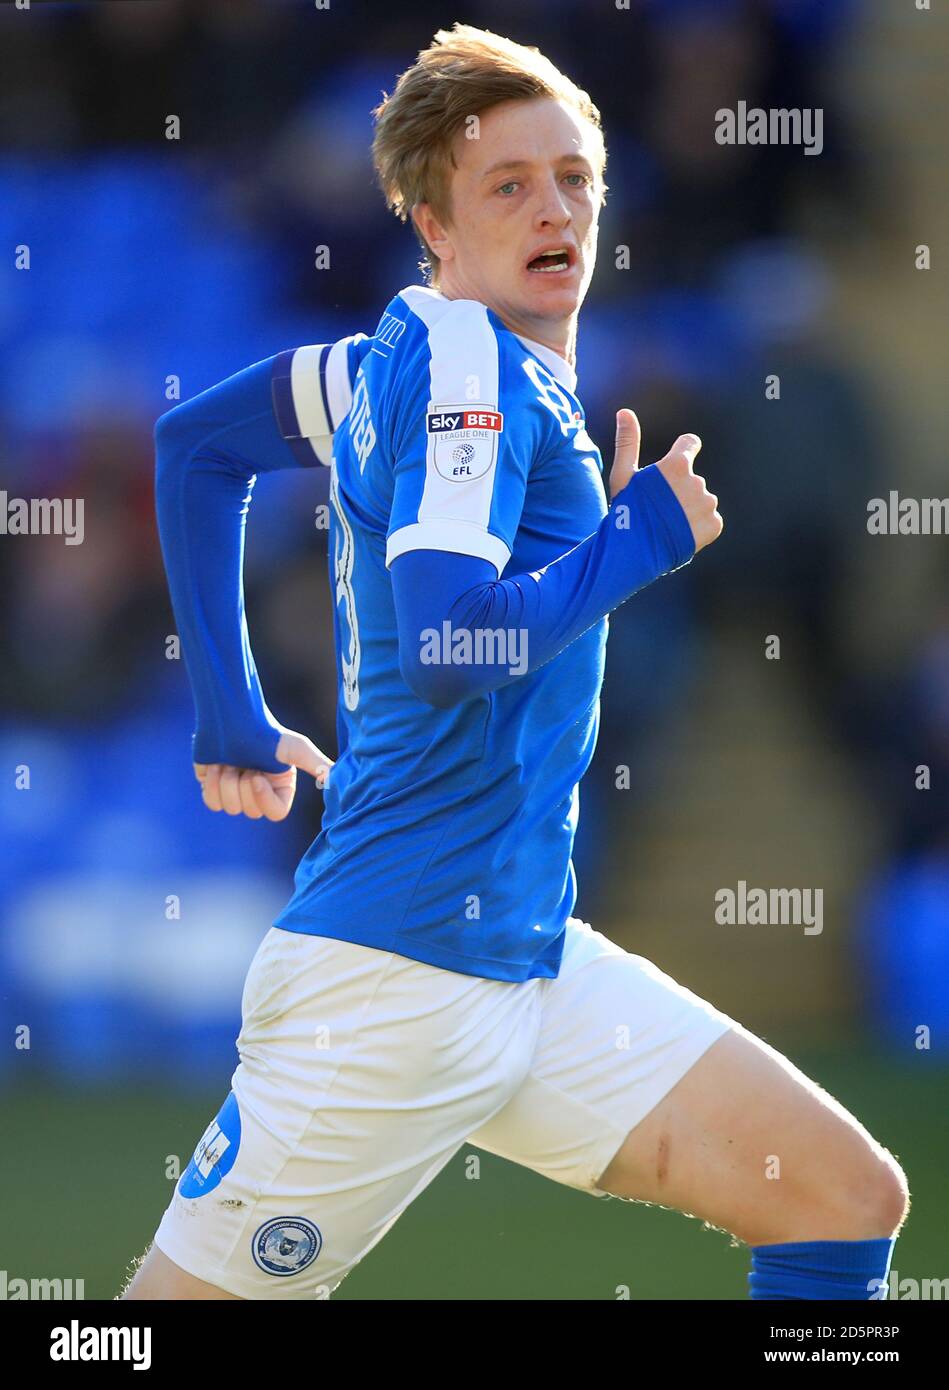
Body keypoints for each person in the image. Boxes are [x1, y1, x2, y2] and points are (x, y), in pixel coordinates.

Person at [122, 25, 907, 1301]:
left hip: (524, 960)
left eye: (574, 178)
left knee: (838, 1199)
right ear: (433, 221)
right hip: (390, 986)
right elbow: (448, 642)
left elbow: (194, 447)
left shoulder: (396, 353)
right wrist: (635, 542)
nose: (554, 209)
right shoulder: (469, 365)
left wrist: (231, 717)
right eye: (508, 184)